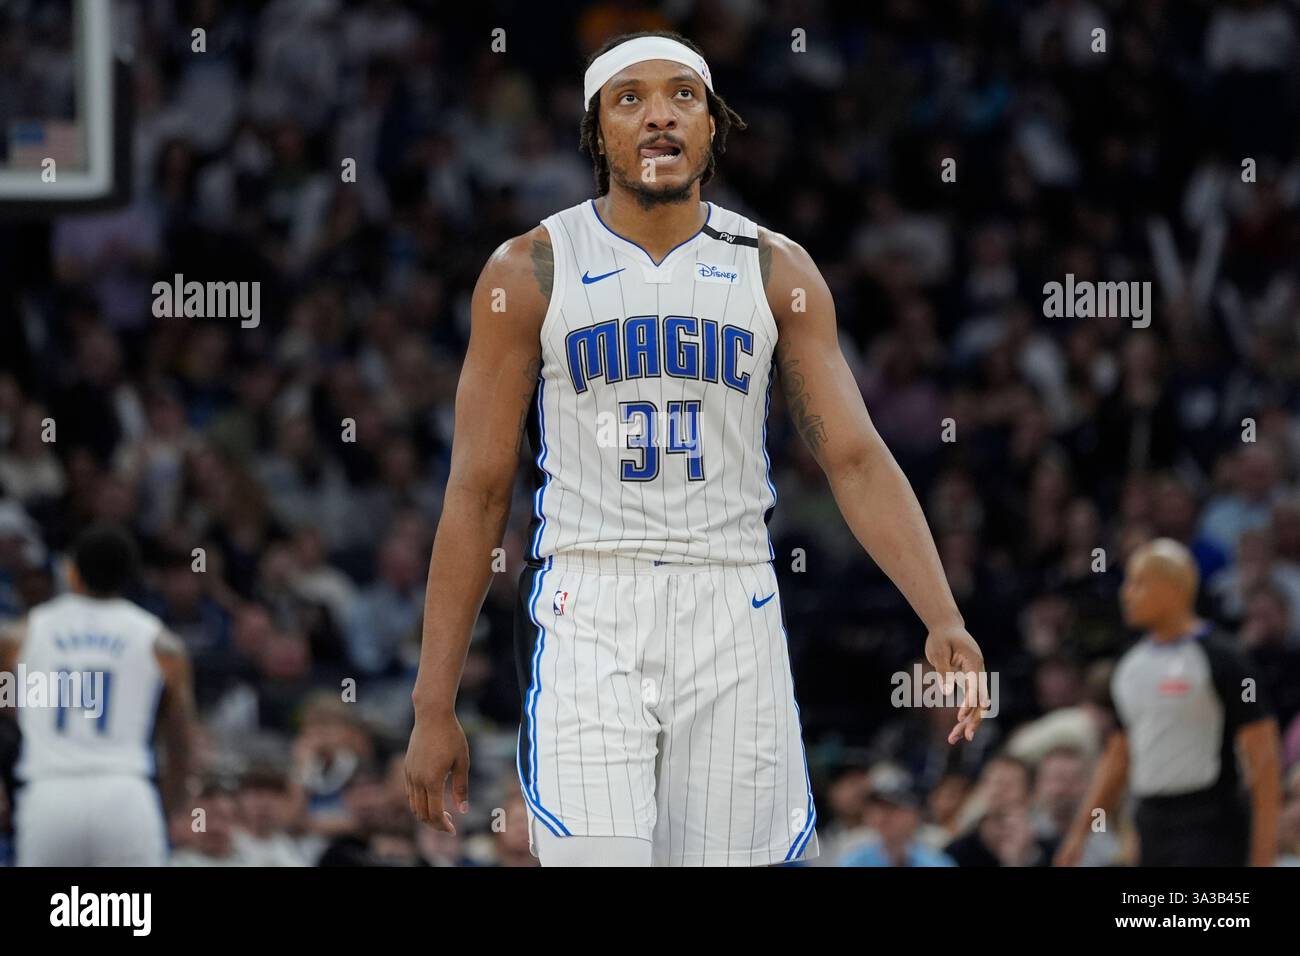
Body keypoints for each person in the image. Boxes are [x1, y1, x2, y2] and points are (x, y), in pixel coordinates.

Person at [404, 30, 985, 867]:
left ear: (714, 125)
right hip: (591, 598)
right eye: (629, 98)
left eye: (683, 96)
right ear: (595, 130)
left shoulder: (773, 267)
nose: (659, 117)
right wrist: (433, 703)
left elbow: (854, 457)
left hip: (733, 595)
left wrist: (942, 614)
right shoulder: (529, 269)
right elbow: (477, 492)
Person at [1055, 538, 1282, 867]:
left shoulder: (1225, 658)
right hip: (1150, 819)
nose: (1126, 593)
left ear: (1175, 588)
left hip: (1212, 820)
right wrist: (1080, 834)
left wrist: (1263, 855)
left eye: (1139, 582)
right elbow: (1117, 757)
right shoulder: (1129, 666)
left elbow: (1264, 761)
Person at [0, 525, 196, 866]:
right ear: (132, 577)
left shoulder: (20, 634)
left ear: (71, 572)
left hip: (49, 792)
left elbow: (5, 707)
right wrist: (168, 808)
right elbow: (180, 741)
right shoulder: (163, 644)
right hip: (125, 792)